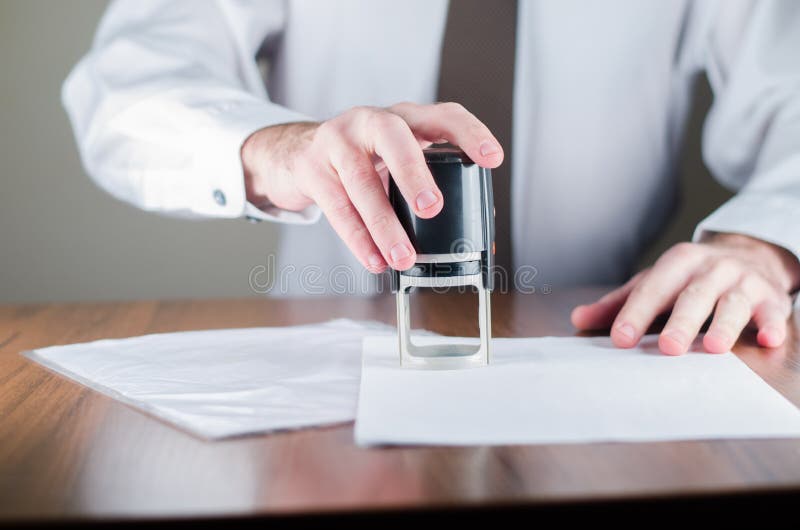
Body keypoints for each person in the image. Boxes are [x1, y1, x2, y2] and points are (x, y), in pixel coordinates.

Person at [63, 0, 800, 356]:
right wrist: (279, 148)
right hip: (327, 359)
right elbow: (123, 87)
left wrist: (760, 245)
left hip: (604, 344)